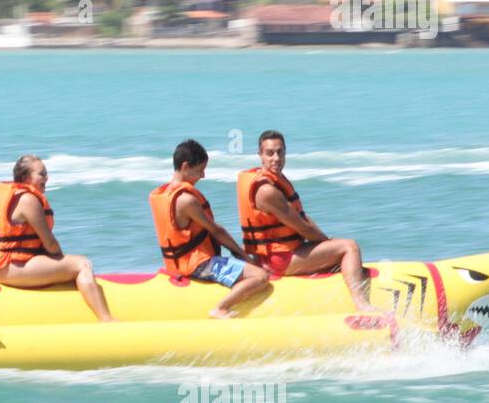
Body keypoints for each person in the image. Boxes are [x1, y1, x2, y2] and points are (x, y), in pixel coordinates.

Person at [237, 130, 373, 311]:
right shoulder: (266, 191)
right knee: (350, 247)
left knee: (337, 248)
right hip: (279, 260)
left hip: (280, 254)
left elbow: (302, 217)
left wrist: (327, 245)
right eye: (270, 153)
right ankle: (362, 305)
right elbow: (303, 228)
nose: (276, 158)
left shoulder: (272, 180)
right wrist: (329, 244)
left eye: (280, 152)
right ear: (260, 155)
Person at [0, 154, 114, 322]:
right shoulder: (28, 200)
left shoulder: (15, 195)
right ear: (26, 177)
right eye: (41, 174)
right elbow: (49, 243)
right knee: (82, 264)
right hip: (10, 268)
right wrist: (62, 263)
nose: (46, 178)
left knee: (68, 265)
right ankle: (106, 319)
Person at [150, 139, 270, 318]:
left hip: (178, 265)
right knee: (260, 276)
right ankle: (221, 307)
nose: (203, 175)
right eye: (200, 170)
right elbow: (216, 231)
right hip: (199, 265)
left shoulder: (163, 194)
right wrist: (243, 256)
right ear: (185, 167)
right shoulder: (186, 200)